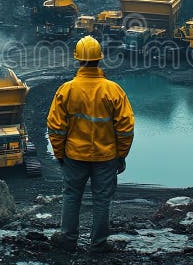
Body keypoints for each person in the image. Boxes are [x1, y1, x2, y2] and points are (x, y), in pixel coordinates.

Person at [46, 35, 135, 253]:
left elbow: (55, 128)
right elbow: (126, 128)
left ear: (78, 60)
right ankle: (99, 244)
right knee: (102, 200)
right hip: (106, 158)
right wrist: (121, 155)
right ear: (99, 59)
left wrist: (60, 154)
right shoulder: (113, 90)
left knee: (71, 196)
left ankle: (68, 241)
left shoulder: (66, 90)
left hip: (74, 156)